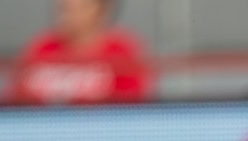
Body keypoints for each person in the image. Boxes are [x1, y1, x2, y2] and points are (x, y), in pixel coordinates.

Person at [11, 0, 153, 106]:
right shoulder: (41, 49)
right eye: (64, 8)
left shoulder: (122, 52)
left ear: (101, 9)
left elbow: (131, 107)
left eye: (79, 6)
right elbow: (15, 101)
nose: (68, 11)